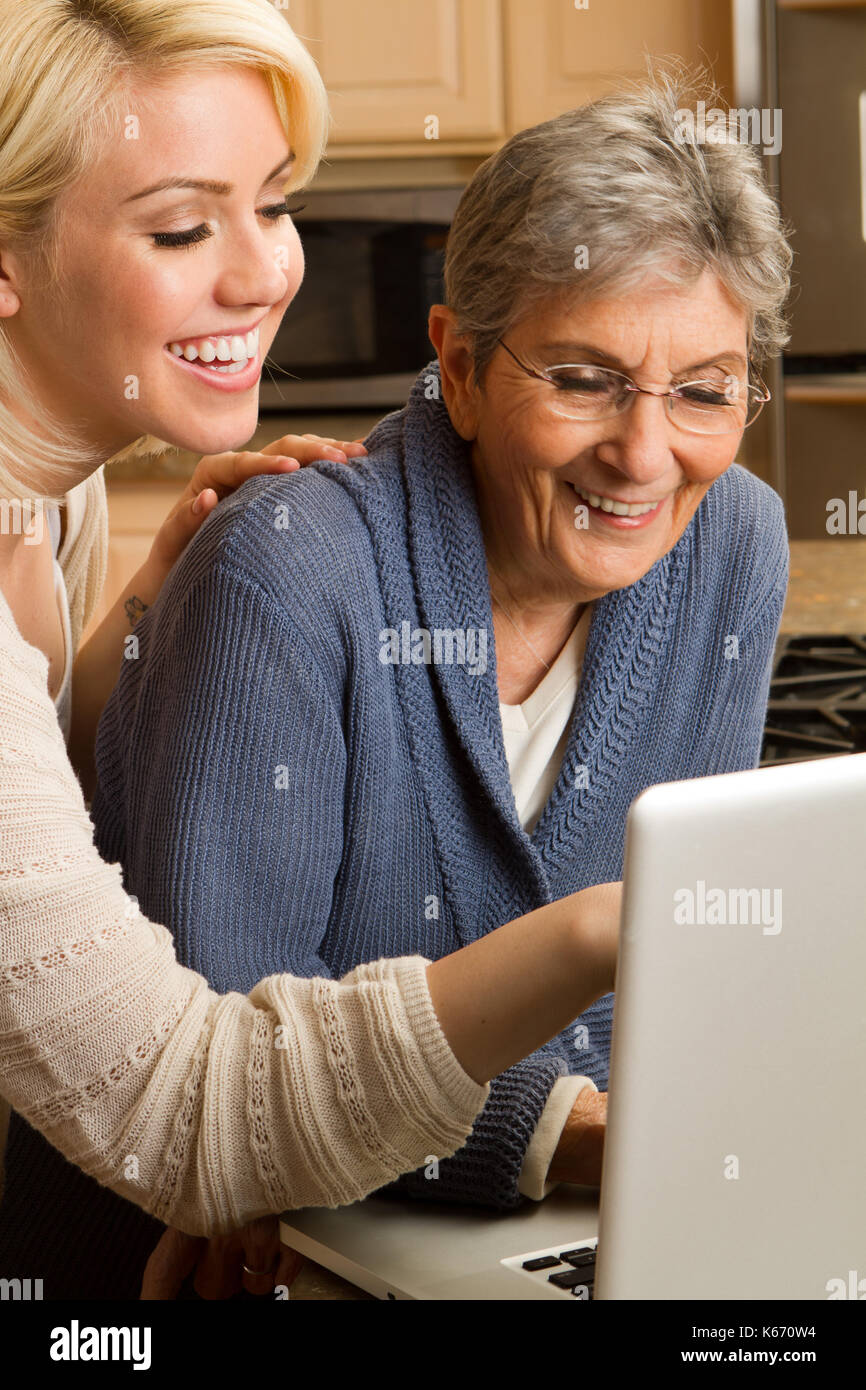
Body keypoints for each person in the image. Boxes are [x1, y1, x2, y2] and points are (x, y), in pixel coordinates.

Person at [86, 54, 792, 1296]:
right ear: (457, 368)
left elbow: (676, 982)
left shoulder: (730, 539)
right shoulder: (286, 573)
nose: (642, 455)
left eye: (702, 391)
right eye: (580, 380)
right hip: (211, 1268)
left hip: (560, 1223)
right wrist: (568, 1134)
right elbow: (226, 1069)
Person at [0, 0, 619, 1300]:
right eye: (180, 227)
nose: (262, 273)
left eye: (271, 204)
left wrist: (145, 617)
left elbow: (31, 817)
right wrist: (598, 933)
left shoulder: (49, 496)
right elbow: (183, 1114)